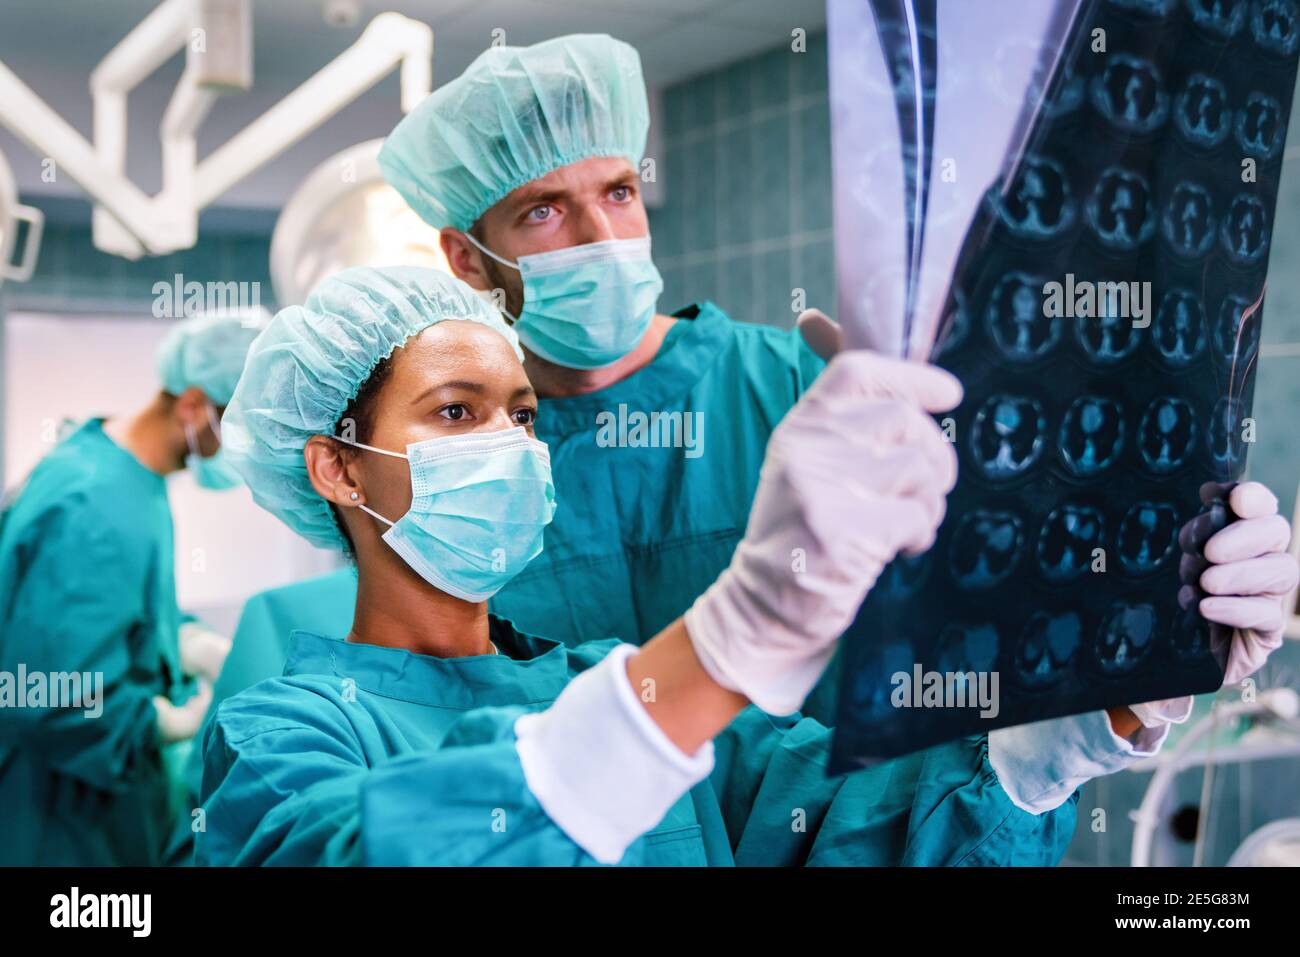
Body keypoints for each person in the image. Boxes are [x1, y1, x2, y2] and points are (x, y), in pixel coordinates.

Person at [195, 266, 1295, 866]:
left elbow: (878, 822)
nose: (508, 446)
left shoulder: (598, 682)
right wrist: (729, 640)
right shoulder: (284, 736)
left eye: (521, 414)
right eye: (455, 412)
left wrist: (1110, 689)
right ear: (339, 468)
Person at [378, 33, 841, 716]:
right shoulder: (466, 467)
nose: (603, 235)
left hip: (832, 819)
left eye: (620, 192)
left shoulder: (795, 385)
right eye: (545, 210)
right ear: (468, 259)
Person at [0, 311, 262, 865]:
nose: (241, 451)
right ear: (192, 407)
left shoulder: (118, 470)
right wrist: (164, 724)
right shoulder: (97, 504)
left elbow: (109, 609)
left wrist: (184, 639)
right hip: (62, 823)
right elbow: (51, 694)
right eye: (236, 429)